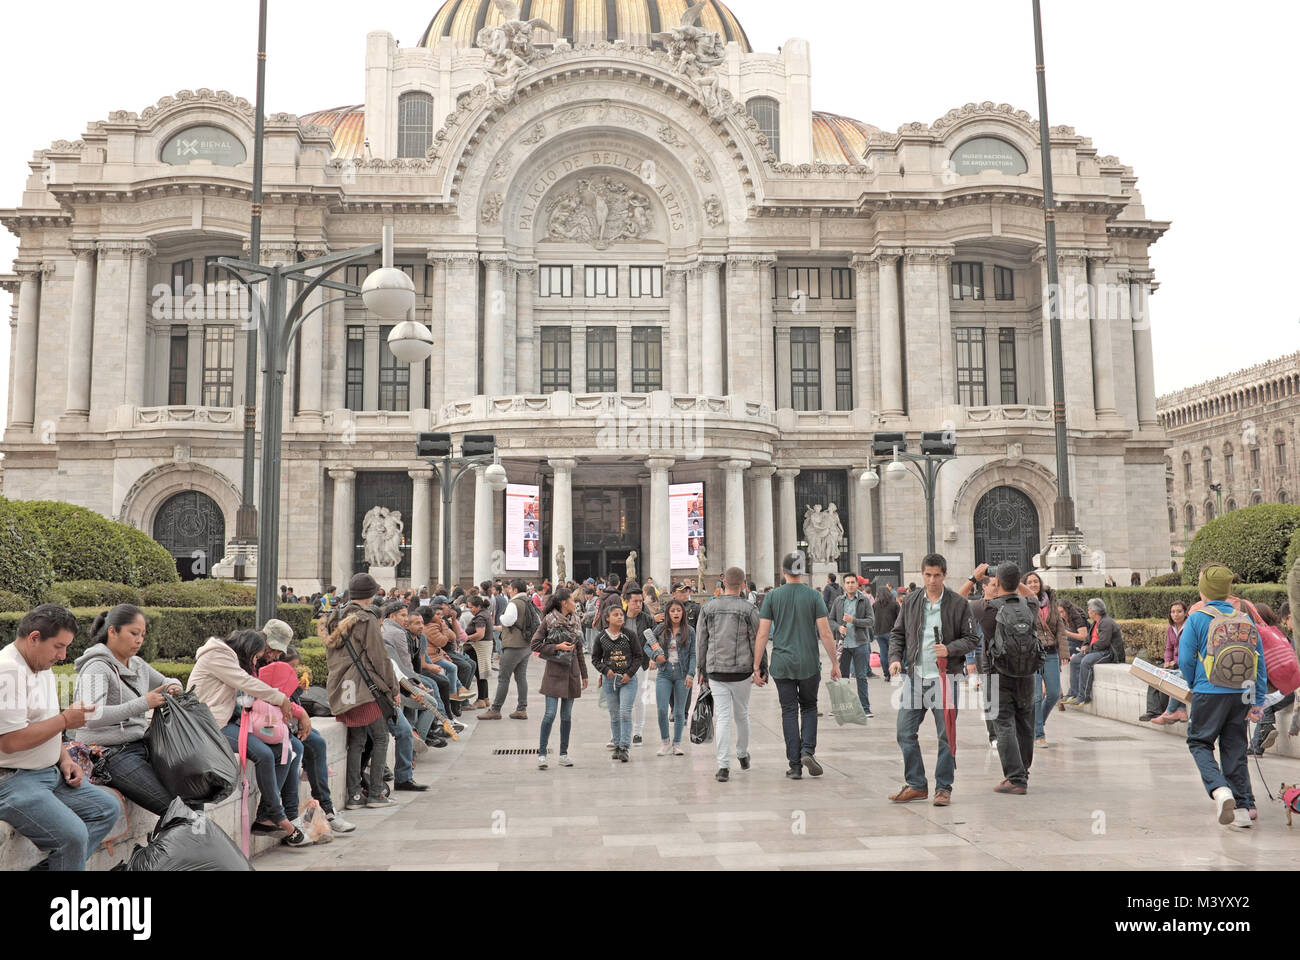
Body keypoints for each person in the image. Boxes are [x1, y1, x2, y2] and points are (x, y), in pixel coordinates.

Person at [0, 604, 123, 870]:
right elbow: (10, 742)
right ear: (34, 638)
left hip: (47, 772)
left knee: (107, 809)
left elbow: (45, 722)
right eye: (58, 646)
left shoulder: (40, 665)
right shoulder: (7, 671)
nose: (63, 655)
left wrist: (64, 758)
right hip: (11, 779)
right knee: (73, 836)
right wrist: (66, 720)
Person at [188, 628, 310, 845]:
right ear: (248, 650)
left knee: (284, 749)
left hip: (224, 721)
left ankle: (266, 816)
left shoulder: (228, 657)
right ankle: (277, 815)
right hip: (209, 725)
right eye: (255, 657)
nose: (256, 662)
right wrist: (280, 698)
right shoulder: (218, 655)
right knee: (264, 753)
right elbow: (246, 683)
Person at [72, 604, 183, 815]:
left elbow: (167, 681)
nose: (139, 640)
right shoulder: (96, 667)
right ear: (112, 631)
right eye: (133, 633)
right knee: (173, 808)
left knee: (193, 790)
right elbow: (90, 716)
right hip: (110, 752)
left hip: (141, 745)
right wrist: (143, 703)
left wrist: (174, 686)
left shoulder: (137, 664)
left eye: (142, 634)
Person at [886, 553, 979, 806]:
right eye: (927, 575)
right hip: (916, 677)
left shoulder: (959, 603)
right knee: (904, 732)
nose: (932, 580)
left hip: (944, 679)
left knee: (945, 735)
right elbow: (897, 634)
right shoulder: (912, 601)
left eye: (937, 575)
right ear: (922, 574)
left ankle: (943, 787)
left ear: (944, 575)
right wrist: (895, 658)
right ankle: (916, 784)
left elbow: (973, 639)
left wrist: (949, 649)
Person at [1179, 564, 1267, 828]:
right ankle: (1242, 810)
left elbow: (1185, 659)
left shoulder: (1196, 618)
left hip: (1209, 691)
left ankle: (1220, 790)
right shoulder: (1245, 618)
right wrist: (1258, 700)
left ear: (1204, 590)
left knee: (1199, 742)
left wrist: (1195, 683)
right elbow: (1259, 663)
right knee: (1235, 748)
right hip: (1241, 694)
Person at [754, 553, 841, 780]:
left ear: (783, 572)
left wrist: (756, 665)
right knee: (810, 707)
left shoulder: (772, 597)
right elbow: (825, 632)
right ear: (802, 572)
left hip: (782, 663)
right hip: (809, 662)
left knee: (789, 711)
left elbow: (763, 633)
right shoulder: (814, 596)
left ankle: (794, 766)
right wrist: (835, 662)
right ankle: (807, 751)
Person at [322, 572, 403, 810]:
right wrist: (393, 687)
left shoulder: (334, 616)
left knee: (357, 739)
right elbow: (379, 657)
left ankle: (355, 795)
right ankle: (376, 793)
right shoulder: (365, 618)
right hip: (363, 686)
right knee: (380, 737)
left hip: (341, 686)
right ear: (371, 594)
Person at [968, 563, 1040, 795]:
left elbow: (953, 602)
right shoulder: (1030, 604)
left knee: (1003, 724)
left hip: (995, 674)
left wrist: (974, 578)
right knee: (1025, 723)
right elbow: (1031, 593)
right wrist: (1011, 579)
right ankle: (1023, 771)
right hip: (1026, 672)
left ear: (996, 583)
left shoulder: (985, 608)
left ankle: (1015, 778)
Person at [269, 646, 356, 834]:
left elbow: (290, 702)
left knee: (316, 742)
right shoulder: (269, 673)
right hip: (274, 726)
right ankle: (293, 815)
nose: (293, 672)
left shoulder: (286, 678)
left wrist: (297, 691)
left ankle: (327, 808)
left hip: (287, 724)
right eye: (290, 668)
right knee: (299, 747)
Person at [697, 567, 762, 782]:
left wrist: (701, 669)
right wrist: (761, 668)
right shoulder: (749, 609)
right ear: (743, 584)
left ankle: (723, 766)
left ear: (723, 582)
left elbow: (701, 641)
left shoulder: (708, 608)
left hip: (716, 671)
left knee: (723, 718)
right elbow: (758, 640)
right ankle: (742, 754)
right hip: (742, 671)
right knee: (741, 715)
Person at [532, 588, 589, 768]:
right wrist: (557, 646)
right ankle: (542, 754)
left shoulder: (576, 621)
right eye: (572, 599)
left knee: (566, 716)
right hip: (554, 672)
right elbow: (535, 643)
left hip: (571, 673)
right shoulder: (548, 621)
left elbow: (579, 649)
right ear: (564, 603)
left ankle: (563, 754)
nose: (574, 602)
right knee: (550, 714)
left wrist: (584, 674)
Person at [590, 601, 645, 762]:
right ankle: (617, 743)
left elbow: (638, 656)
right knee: (614, 715)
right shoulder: (601, 638)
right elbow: (595, 659)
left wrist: (629, 673)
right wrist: (605, 670)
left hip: (628, 680)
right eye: (616, 615)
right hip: (609, 681)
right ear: (607, 618)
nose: (620, 617)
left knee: (625, 713)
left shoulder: (629, 635)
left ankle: (624, 747)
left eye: (621, 614)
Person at [644, 598, 696, 756]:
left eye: (678, 611)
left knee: (679, 712)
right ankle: (665, 742)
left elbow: (694, 655)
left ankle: (677, 744)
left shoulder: (690, 631)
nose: (676, 613)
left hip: (682, 674)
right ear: (667, 613)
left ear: (683, 613)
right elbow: (647, 644)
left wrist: (691, 675)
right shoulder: (660, 629)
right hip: (664, 673)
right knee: (661, 709)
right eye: (672, 611)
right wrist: (655, 656)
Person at [1023, 572, 1070, 746]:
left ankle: (1037, 723)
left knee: (1053, 693)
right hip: (1032, 655)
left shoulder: (1050, 602)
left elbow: (1059, 628)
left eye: (1036, 581)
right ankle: (1038, 734)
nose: (1033, 584)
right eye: (1030, 582)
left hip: (1051, 654)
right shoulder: (1023, 603)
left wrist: (1064, 653)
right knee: (1035, 696)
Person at [481, 579, 534, 721]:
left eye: (510, 589)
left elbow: (508, 620)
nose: (508, 591)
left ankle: (496, 709)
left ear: (515, 590)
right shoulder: (529, 602)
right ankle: (522, 709)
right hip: (525, 645)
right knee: (521, 677)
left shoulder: (514, 603)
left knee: (503, 678)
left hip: (513, 646)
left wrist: (501, 617)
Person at [1246, 603, 1294, 755]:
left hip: (1287, 687)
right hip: (1285, 686)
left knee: (1262, 699)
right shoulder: (1278, 634)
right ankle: (1256, 744)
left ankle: (1261, 736)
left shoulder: (1266, 637)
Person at [829, 573, 875, 719]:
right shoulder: (838, 601)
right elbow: (830, 620)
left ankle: (865, 708)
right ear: (844, 585)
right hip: (843, 644)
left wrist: (853, 620)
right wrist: (838, 628)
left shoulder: (864, 600)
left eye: (852, 582)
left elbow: (870, 621)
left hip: (860, 643)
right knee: (842, 677)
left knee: (861, 676)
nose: (850, 585)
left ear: (857, 584)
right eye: (847, 582)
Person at [1061, 598, 1122, 706]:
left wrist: (1088, 649)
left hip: (1108, 652)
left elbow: (1104, 643)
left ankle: (1084, 696)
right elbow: (1088, 638)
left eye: (1089, 610)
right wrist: (1085, 645)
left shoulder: (1106, 622)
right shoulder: (1095, 622)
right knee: (1075, 661)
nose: (1087, 612)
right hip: (1095, 650)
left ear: (1094, 612)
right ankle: (1073, 693)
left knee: (1086, 661)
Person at [622, 583, 657, 746]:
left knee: (638, 698)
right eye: (635, 601)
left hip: (641, 663)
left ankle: (637, 732)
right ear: (627, 601)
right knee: (621, 700)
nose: (638, 604)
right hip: (621, 664)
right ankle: (621, 732)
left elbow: (653, 641)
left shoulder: (647, 619)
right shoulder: (619, 617)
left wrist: (653, 657)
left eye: (640, 601)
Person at [1141, 602, 1187, 722]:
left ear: (1185, 613)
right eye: (1173, 612)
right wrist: (1167, 661)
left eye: (1179, 611)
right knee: (1154, 674)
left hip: (1183, 662)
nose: (1176, 614)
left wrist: (1175, 662)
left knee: (1168, 677)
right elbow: (1169, 648)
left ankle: (1163, 711)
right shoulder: (1170, 629)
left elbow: (1189, 649)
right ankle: (1152, 711)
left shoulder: (1188, 628)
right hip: (1171, 662)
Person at [464, 595, 494, 708]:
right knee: (482, 674)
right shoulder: (485, 613)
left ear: (478, 606)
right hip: (483, 647)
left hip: (478, 648)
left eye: (472, 607)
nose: (470, 610)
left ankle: (481, 699)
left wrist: (465, 638)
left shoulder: (480, 617)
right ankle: (485, 698)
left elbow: (480, 634)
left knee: (479, 674)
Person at [872, 583, 899, 681]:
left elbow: (873, 618)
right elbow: (899, 618)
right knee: (894, 652)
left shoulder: (875, 605)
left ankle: (886, 674)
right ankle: (895, 673)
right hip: (891, 631)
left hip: (878, 632)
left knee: (883, 652)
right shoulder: (894, 604)